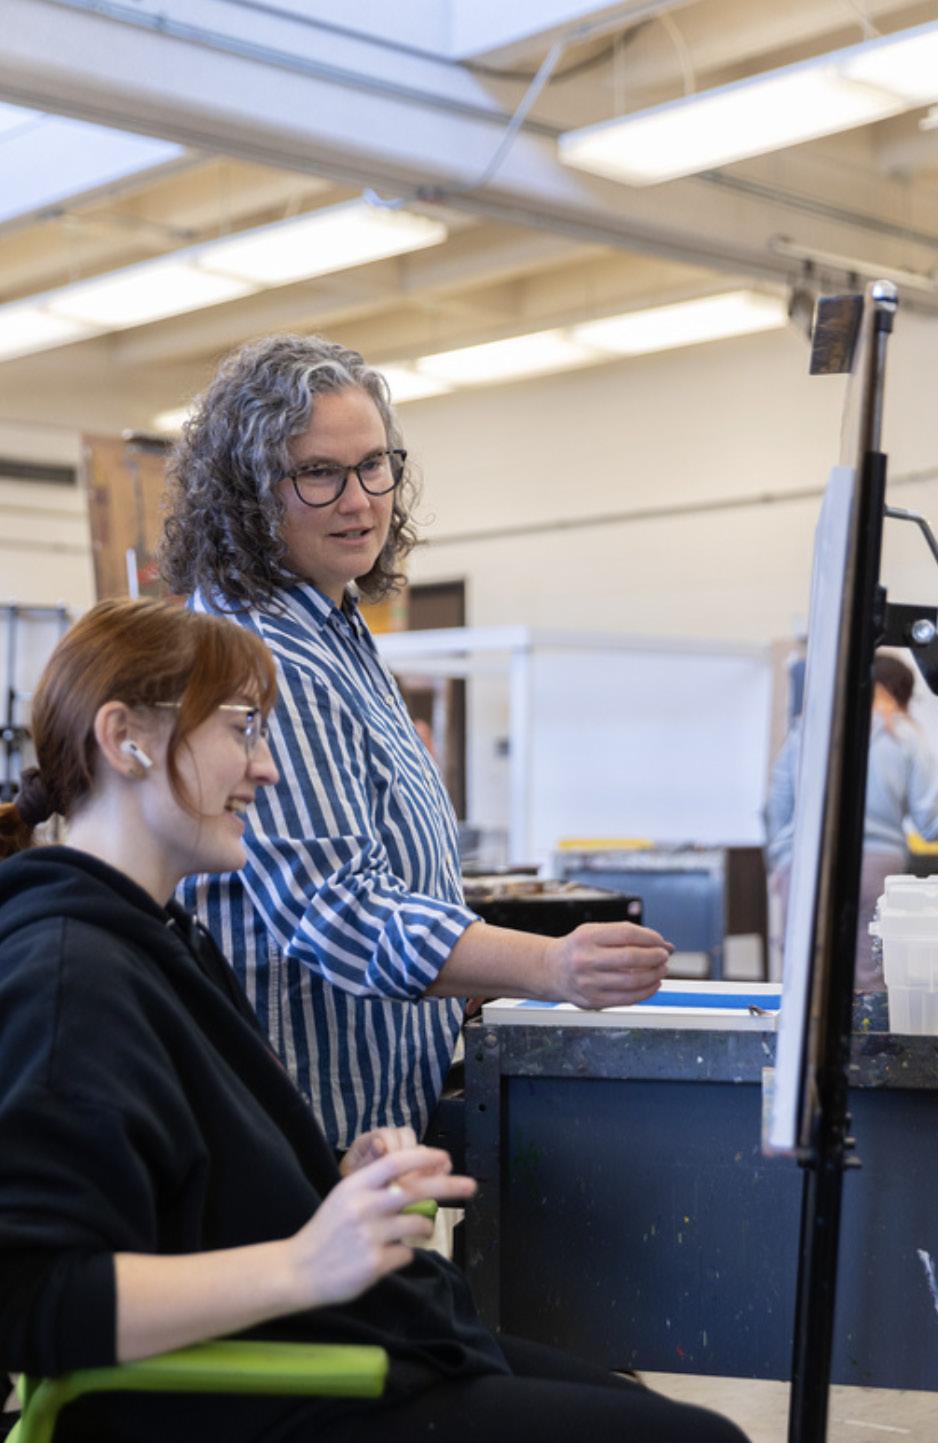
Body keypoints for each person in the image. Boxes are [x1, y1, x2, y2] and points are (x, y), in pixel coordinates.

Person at [0, 598, 747, 1443]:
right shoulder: (69, 977)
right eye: (243, 727)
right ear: (126, 736)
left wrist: (336, 1173)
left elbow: (195, 1191)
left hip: (328, 1350)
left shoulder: (161, 942)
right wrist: (303, 1261)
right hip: (260, 1393)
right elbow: (32, 1295)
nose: (269, 767)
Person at [160, 335, 673, 1150]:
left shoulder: (334, 626)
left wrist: (462, 971)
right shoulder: (261, 653)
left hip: (369, 1110)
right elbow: (337, 909)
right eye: (319, 474)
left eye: (374, 465)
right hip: (303, 1128)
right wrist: (549, 966)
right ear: (248, 496)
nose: (360, 500)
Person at [765, 652, 938, 988]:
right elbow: (930, 823)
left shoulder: (810, 729)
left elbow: (778, 801)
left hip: (807, 860)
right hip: (877, 868)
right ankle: (867, 1043)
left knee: (802, 973)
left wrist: (782, 860)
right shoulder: (906, 737)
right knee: (869, 975)